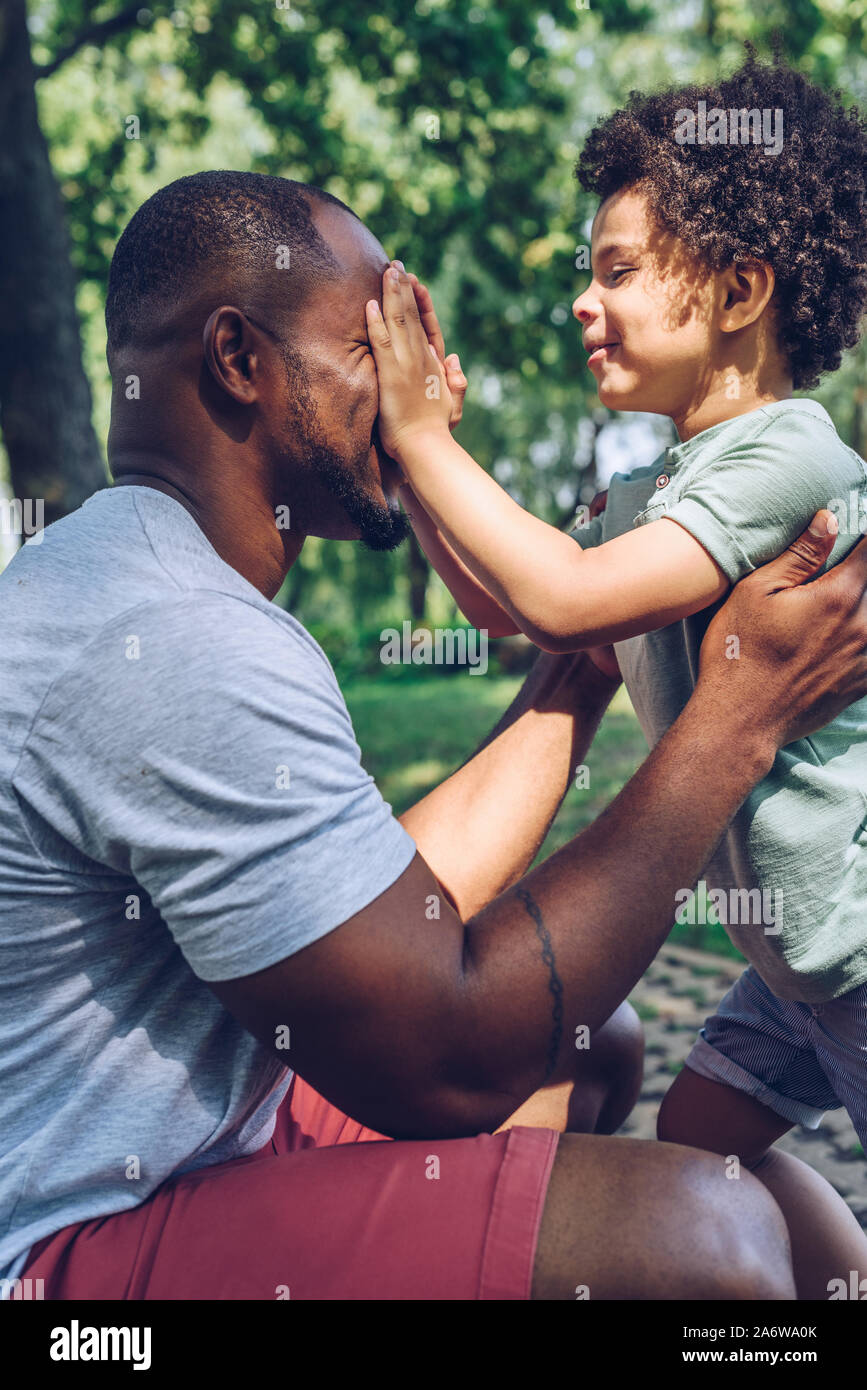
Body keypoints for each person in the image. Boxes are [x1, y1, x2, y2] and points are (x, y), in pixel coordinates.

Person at [2, 172, 867, 1303]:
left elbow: (401, 900)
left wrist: (434, 476)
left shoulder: (143, 578)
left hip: (208, 1127)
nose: (413, 384)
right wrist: (736, 721)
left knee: (602, 1053)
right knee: (713, 1239)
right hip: (67, 1246)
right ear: (238, 359)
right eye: (379, 345)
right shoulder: (173, 635)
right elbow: (449, 1059)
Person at [365, 54, 867, 1297]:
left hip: (857, 950)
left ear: (740, 289)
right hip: (783, 965)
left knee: (701, 1160)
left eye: (618, 271)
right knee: (699, 1161)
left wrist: (429, 441)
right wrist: (420, 466)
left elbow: (562, 593)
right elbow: (529, 613)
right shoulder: (657, 496)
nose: (585, 303)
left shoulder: (784, 456)